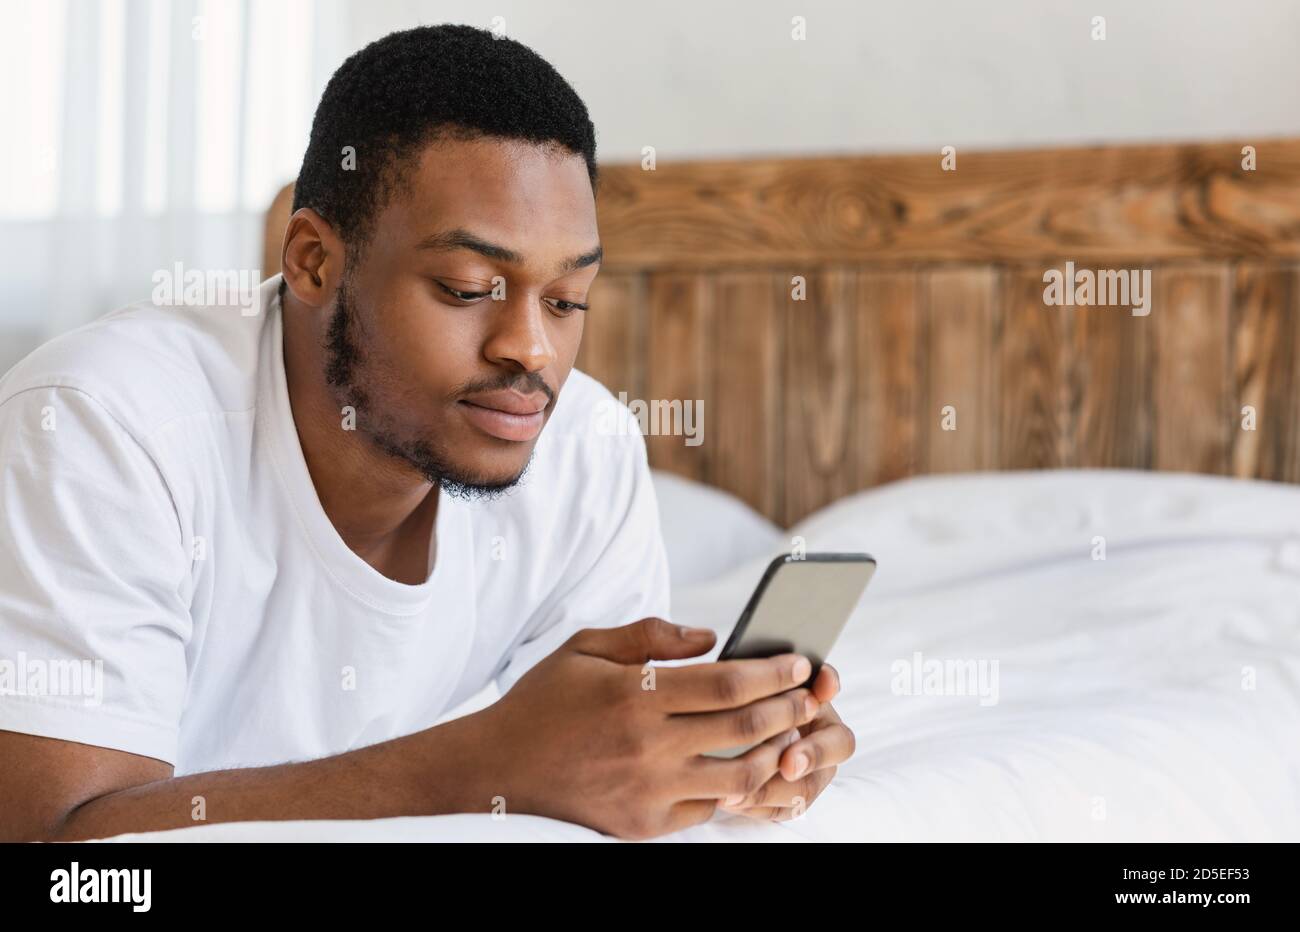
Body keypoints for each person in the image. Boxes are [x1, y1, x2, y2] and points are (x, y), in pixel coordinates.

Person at [0, 24, 852, 842]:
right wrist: (481, 765)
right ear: (313, 262)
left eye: (567, 301)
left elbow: (597, 759)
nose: (531, 348)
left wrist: (720, 755)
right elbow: (53, 849)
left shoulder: (583, 449)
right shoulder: (104, 425)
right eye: (467, 285)